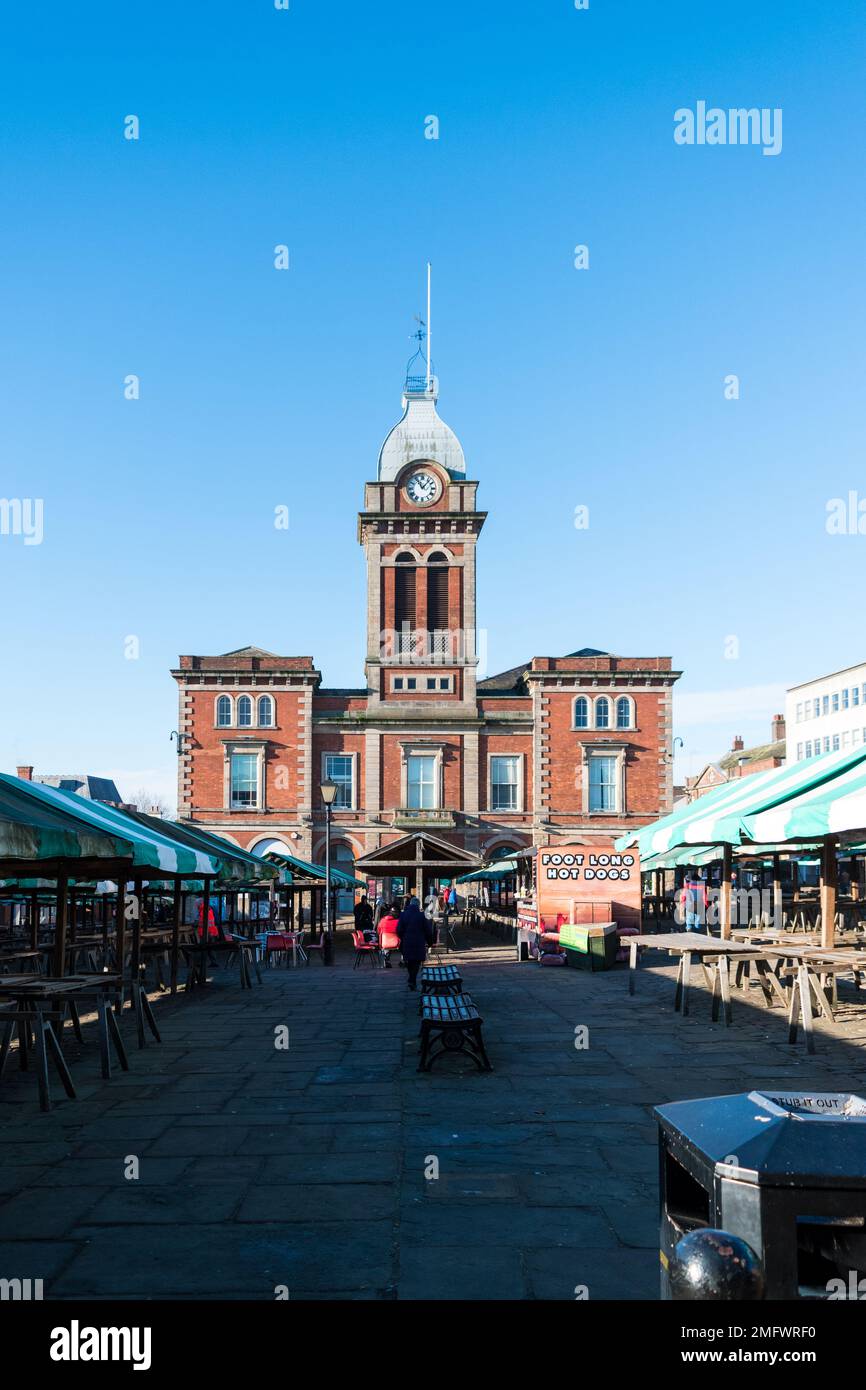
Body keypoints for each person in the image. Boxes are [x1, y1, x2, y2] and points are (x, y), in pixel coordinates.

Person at [397, 895, 434, 990]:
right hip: (418, 942)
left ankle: (411, 980)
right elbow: (428, 930)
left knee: (409, 961)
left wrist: (403, 937)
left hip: (407, 941)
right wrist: (430, 942)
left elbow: (399, 930)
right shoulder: (421, 915)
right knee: (416, 962)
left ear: (410, 904)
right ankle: (412, 980)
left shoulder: (403, 914)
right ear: (418, 906)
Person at [680, 867, 708, 933]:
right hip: (699, 905)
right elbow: (704, 897)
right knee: (697, 922)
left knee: (689, 921)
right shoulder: (702, 886)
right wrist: (706, 905)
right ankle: (696, 934)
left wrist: (683, 902)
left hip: (689, 905)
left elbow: (684, 895)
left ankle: (689, 930)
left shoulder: (688, 885)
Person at [377, 903, 400, 968]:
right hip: (395, 943)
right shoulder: (398, 922)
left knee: (386, 944)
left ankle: (386, 959)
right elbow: (401, 931)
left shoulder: (382, 921)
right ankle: (403, 960)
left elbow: (378, 931)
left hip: (384, 943)